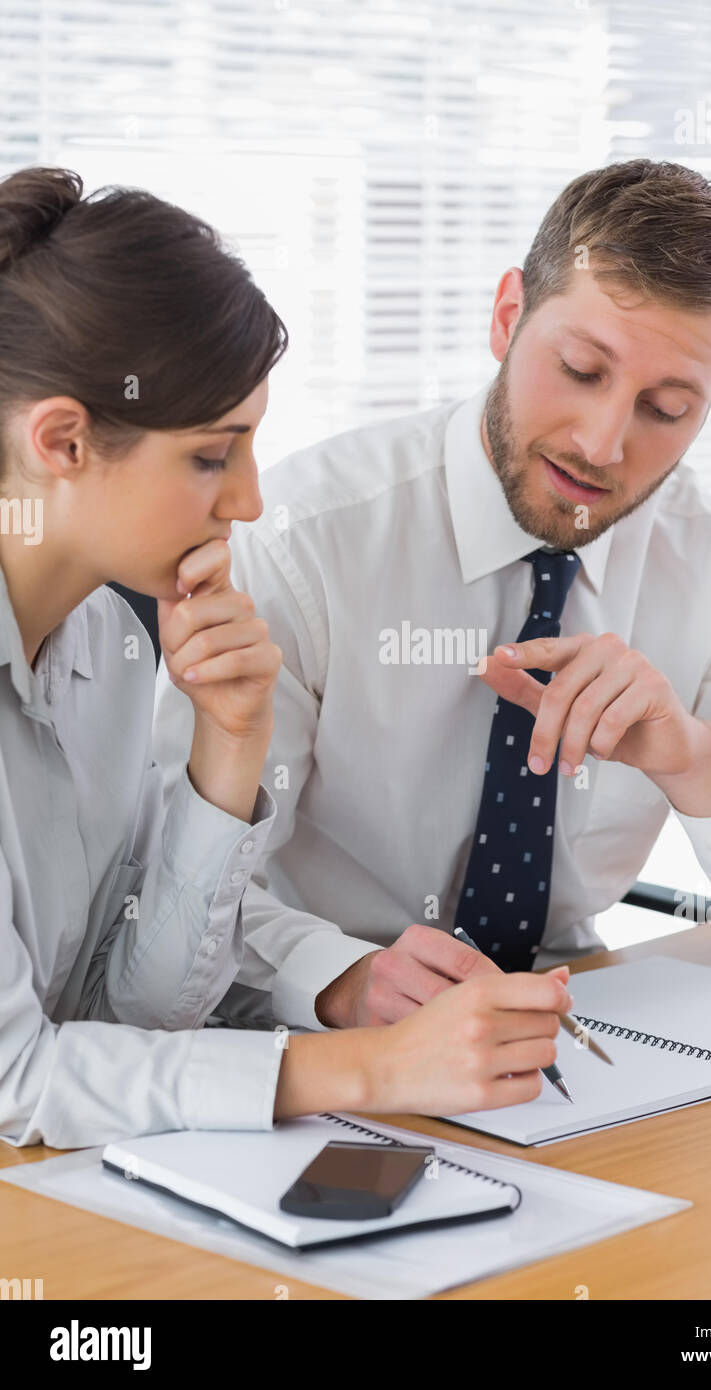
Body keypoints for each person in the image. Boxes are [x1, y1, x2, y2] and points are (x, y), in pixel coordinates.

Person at [152, 157, 711, 1040]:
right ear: (507, 317)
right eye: (580, 369)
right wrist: (340, 978)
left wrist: (694, 759)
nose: (602, 444)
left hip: (569, 1042)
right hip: (314, 1048)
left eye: (666, 408)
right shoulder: (306, 541)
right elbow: (161, 898)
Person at [0, 166, 571, 1149]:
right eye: (213, 455)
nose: (249, 501)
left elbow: (128, 1014)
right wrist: (374, 1067)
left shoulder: (108, 640)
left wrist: (229, 747)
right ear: (64, 440)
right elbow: (20, 1077)